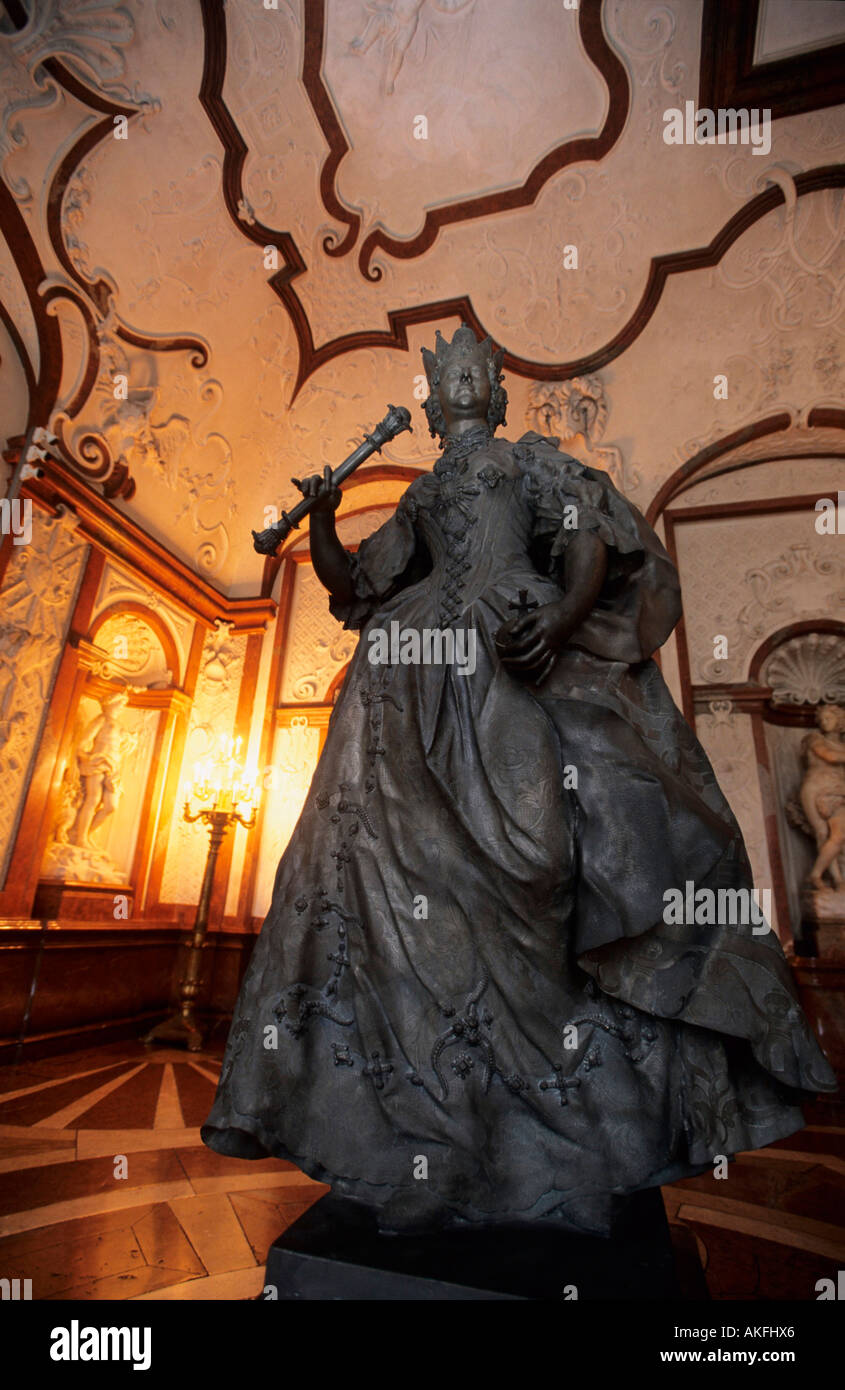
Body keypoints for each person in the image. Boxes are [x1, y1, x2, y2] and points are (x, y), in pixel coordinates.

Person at [202, 324, 836, 1236]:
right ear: (429, 400)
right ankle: (431, 1143)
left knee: (544, 863)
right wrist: (327, 516)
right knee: (391, 884)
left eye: (475, 371)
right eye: (446, 374)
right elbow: (356, 587)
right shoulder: (420, 492)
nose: (460, 379)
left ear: (495, 393)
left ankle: (574, 1130)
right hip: (407, 678)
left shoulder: (531, 463)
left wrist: (564, 615)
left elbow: (584, 546)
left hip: (512, 650)